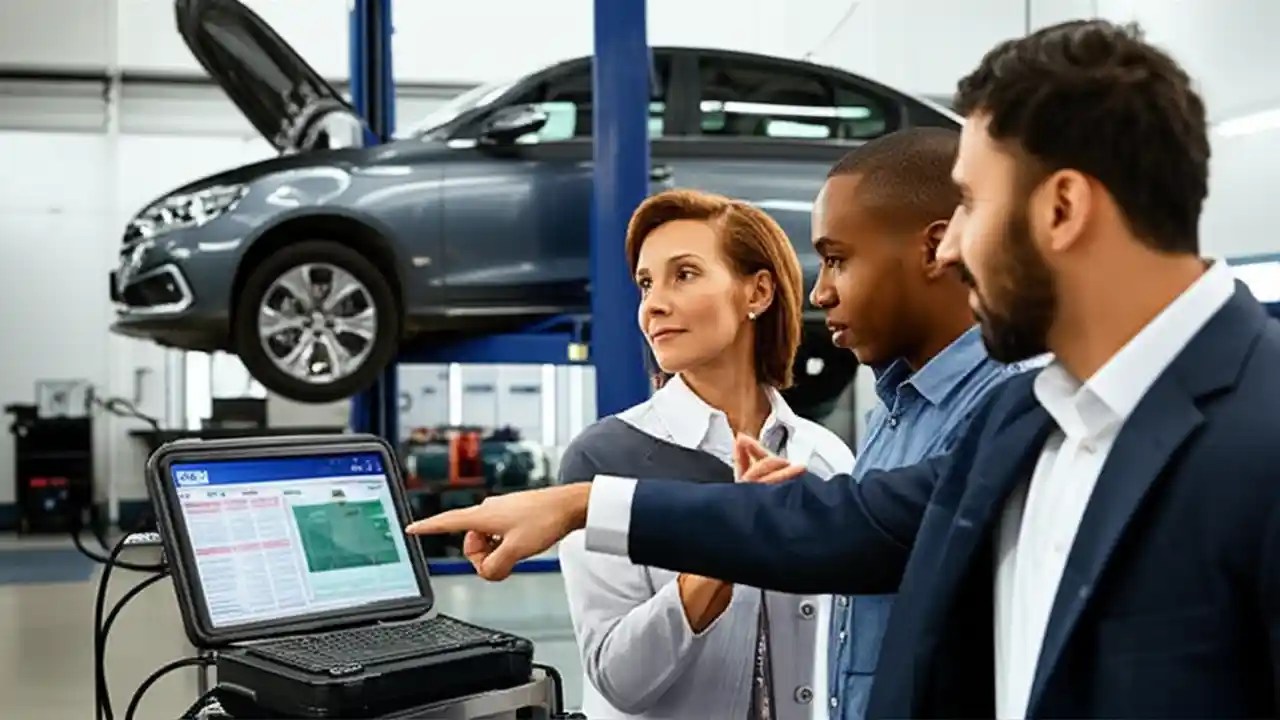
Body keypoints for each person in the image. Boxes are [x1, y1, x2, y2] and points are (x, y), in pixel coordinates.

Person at [408, 20, 1280, 718]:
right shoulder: (1036, 420)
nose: (955, 244)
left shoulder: (1260, 428)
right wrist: (576, 504)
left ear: (1061, 208)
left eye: (970, 203)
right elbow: (846, 527)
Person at [556, 188, 855, 720]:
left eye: (684, 274)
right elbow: (618, 680)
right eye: (646, 283)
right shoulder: (602, 459)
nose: (654, 303)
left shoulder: (825, 458)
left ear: (757, 293)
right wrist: (729, 539)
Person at [811, 128, 1019, 719]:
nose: (821, 292)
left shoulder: (1004, 405)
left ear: (934, 249)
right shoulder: (895, 410)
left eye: (836, 260)